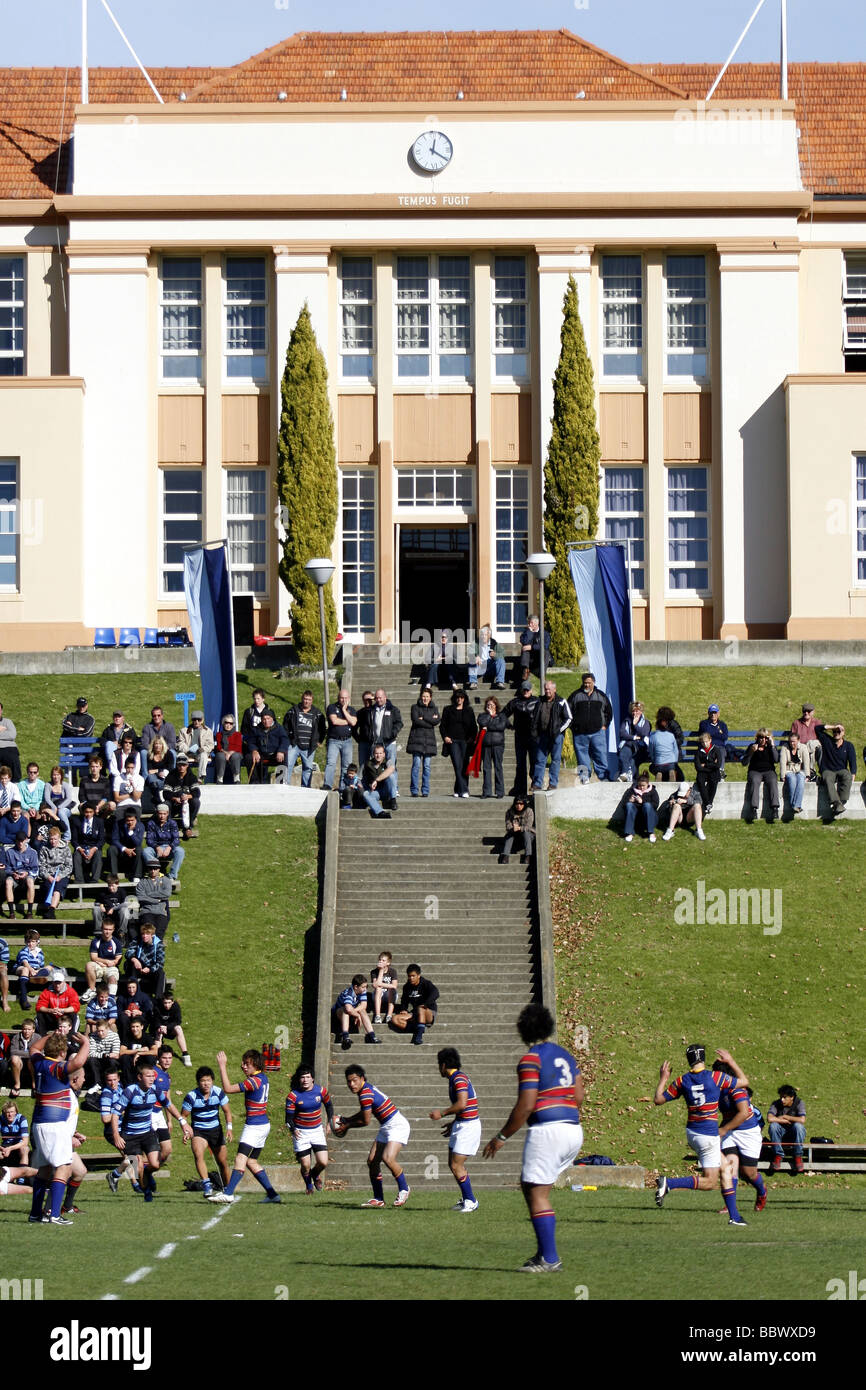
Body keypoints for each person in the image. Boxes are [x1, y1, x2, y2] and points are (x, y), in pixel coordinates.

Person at [483, 1002, 584, 1272]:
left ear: (523, 1030)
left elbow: (526, 1105)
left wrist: (501, 1136)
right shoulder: (566, 1055)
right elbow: (579, 1096)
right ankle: (543, 1253)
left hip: (548, 1130)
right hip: (573, 1128)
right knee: (532, 1187)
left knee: (537, 1192)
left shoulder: (531, 1059)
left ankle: (550, 1259)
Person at [653, 1042, 748, 1226]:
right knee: (710, 1182)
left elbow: (658, 1099)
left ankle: (735, 1217)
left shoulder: (682, 1081)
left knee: (726, 1169)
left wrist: (663, 1078)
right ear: (704, 1058)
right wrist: (731, 1061)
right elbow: (744, 1082)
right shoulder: (716, 1077)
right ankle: (669, 1183)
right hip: (708, 1135)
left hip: (693, 1132)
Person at [27, 1027, 90, 1225]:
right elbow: (78, 1062)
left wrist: (48, 1036)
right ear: (62, 1052)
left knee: (44, 1169)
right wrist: (86, 1043)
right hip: (54, 1125)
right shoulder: (57, 1068)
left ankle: (35, 1214)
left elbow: (33, 1048)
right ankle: (54, 1214)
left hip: (40, 1123)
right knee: (63, 1167)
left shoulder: (39, 1063)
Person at [209, 1048, 281, 1204]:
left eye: (247, 1063)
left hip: (254, 1126)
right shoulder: (262, 1078)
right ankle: (272, 1195)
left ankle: (228, 1193)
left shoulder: (253, 1081)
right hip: (263, 1124)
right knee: (251, 1161)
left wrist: (222, 1066)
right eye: (243, 1063)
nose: (243, 1066)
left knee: (240, 1158)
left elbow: (228, 1089)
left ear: (255, 1064)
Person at [336, 1064, 411, 1208]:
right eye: (349, 1081)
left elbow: (366, 1121)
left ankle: (404, 1188)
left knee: (388, 1158)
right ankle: (379, 1199)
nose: (351, 1084)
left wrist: (347, 1125)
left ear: (362, 1078)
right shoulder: (365, 1089)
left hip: (397, 1125)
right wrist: (347, 1119)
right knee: (372, 1161)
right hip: (386, 1126)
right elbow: (365, 1112)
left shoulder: (365, 1094)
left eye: (354, 1080)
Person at [110, 1057, 184, 1202]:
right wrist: (116, 1135)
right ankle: (147, 1193)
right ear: (139, 1077)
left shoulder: (155, 1090)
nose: (152, 1079)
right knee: (138, 1166)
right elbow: (115, 1114)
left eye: (153, 1076)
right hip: (130, 1135)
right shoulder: (130, 1091)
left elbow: (168, 1105)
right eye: (148, 1076)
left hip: (147, 1133)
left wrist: (182, 1121)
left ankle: (147, 1176)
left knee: (155, 1164)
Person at [713, 1051, 768, 1213]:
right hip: (730, 1132)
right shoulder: (717, 1089)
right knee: (730, 1166)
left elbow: (743, 1114)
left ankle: (762, 1191)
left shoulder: (735, 1089)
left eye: (716, 1074)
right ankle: (730, 1205)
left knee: (748, 1173)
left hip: (748, 1132)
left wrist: (724, 1129)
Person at [430, 1048, 481, 1212]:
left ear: (443, 1065)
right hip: (462, 1123)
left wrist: (442, 1113)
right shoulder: (456, 1078)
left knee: (456, 1165)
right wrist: (454, 1123)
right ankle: (467, 1199)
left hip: (468, 1126)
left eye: (439, 1064)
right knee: (452, 1164)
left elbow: (462, 1104)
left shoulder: (458, 1078)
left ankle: (471, 1201)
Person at [180, 1066, 233, 1198]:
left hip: (216, 1130)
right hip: (199, 1131)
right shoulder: (191, 1096)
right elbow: (184, 1116)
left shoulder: (218, 1092)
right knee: (198, 1155)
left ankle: (228, 1190)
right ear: (198, 1082)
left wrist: (229, 1128)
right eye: (203, 1081)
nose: (206, 1083)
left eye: (208, 1080)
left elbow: (227, 1111)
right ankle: (207, 1185)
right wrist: (186, 1131)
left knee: (223, 1162)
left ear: (212, 1081)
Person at [285, 1066, 334, 1195]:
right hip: (301, 1133)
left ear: (312, 1078)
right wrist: (293, 1130)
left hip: (317, 1131)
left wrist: (329, 1123)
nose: (305, 1080)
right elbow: (288, 1119)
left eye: (308, 1077)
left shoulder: (321, 1091)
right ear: (299, 1079)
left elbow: (329, 1106)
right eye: (302, 1077)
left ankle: (315, 1174)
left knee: (323, 1162)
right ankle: (309, 1186)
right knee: (305, 1164)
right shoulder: (293, 1096)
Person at [569, 673, 613, 784]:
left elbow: (608, 712)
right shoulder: (575, 695)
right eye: (585, 683)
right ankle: (584, 777)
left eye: (589, 683)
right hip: (580, 734)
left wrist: (605, 726)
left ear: (594, 682)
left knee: (600, 755)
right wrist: (574, 727)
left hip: (598, 732)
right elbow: (567, 713)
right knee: (582, 756)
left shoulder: (601, 696)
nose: (587, 685)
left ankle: (603, 777)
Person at [530, 680, 572, 793]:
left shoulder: (561, 701)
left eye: (549, 689)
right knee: (539, 760)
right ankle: (537, 784)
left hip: (556, 736)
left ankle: (553, 784)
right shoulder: (539, 701)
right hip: (542, 736)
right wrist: (535, 731)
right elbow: (534, 716)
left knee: (555, 760)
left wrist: (559, 730)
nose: (547, 691)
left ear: (554, 689)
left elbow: (569, 718)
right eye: (546, 689)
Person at [360, 689, 403, 797]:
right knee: (375, 766)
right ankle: (377, 787)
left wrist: (392, 733)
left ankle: (394, 789)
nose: (378, 700)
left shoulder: (392, 709)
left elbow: (399, 723)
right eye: (377, 698)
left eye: (380, 697)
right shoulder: (372, 710)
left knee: (391, 766)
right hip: (376, 743)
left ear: (385, 697)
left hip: (389, 743)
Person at [282, 690, 326, 789]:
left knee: (307, 768)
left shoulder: (317, 713)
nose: (306, 701)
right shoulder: (293, 710)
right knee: (288, 766)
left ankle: (305, 788)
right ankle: (285, 787)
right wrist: (288, 739)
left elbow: (323, 728)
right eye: (305, 699)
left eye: (309, 700)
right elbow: (285, 725)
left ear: (312, 700)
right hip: (294, 744)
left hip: (309, 746)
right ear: (302, 699)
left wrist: (319, 741)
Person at [814, 721, 857, 817]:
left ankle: (841, 801)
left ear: (843, 733)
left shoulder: (848, 745)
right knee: (828, 778)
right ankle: (836, 803)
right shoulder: (827, 740)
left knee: (847, 776)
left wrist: (853, 774)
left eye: (839, 731)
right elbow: (817, 729)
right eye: (834, 731)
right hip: (828, 769)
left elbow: (853, 762)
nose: (836, 733)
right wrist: (833, 727)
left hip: (841, 769)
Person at [440, 688, 477, 799]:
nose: (459, 699)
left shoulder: (469, 710)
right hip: (453, 741)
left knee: (465, 766)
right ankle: (464, 789)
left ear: (464, 698)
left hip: (466, 742)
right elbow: (442, 726)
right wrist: (445, 737)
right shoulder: (447, 709)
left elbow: (474, 726)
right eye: (457, 697)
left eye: (461, 697)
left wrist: (472, 738)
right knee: (457, 765)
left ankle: (457, 789)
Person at [390, 963, 439, 1046]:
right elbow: (404, 1000)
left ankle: (418, 1036)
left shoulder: (426, 983)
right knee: (395, 1019)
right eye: (409, 976)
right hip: (415, 1013)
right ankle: (418, 1028)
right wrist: (404, 1009)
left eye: (413, 976)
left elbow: (436, 993)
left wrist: (425, 1004)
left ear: (418, 975)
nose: (411, 978)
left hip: (428, 1012)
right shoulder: (407, 987)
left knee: (421, 1009)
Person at [504, 683, 537, 799]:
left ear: (531, 690)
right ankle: (520, 789)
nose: (526, 692)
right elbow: (503, 714)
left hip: (534, 737)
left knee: (534, 762)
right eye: (524, 690)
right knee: (521, 764)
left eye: (528, 690)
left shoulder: (537, 702)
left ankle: (535, 785)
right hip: (520, 737)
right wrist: (509, 725)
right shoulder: (514, 702)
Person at [407, 687, 440, 797]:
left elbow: (437, 721)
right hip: (416, 740)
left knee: (426, 766)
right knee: (416, 766)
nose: (425, 698)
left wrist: (424, 717)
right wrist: (430, 720)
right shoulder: (415, 707)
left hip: (429, 742)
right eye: (423, 696)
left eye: (427, 696)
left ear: (430, 697)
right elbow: (416, 720)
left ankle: (425, 790)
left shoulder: (434, 708)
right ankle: (414, 790)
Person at [334, 974, 382, 1050]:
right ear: (356, 987)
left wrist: (355, 1013)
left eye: (366, 986)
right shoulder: (348, 993)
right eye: (363, 987)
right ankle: (345, 1036)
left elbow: (364, 1005)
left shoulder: (362, 992)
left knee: (362, 1010)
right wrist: (357, 1015)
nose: (365, 989)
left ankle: (372, 1035)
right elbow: (348, 1008)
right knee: (345, 1010)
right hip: (338, 1015)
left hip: (351, 1014)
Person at [767, 1084, 807, 1174]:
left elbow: (802, 1120)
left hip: (794, 1134)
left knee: (798, 1126)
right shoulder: (776, 1103)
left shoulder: (799, 1103)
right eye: (781, 1097)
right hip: (781, 1134)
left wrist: (786, 1117)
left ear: (792, 1097)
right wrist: (783, 1121)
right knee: (773, 1126)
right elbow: (770, 1118)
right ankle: (778, 1155)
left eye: (784, 1097)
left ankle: (798, 1156)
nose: (782, 1100)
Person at [323, 689, 357, 791]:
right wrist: (348, 721)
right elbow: (334, 721)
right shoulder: (332, 707)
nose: (344, 700)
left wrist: (344, 710)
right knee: (331, 763)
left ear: (349, 698)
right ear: (338, 698)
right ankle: (327, 785)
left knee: (346, 766)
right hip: (334, 740)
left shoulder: (352, 710)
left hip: (347, 741)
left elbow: (354, 722)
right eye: (342, 698)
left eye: (346, 698)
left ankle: (343, 787)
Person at [743, 728, 780, 822]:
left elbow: (776, 760)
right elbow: (744, 762)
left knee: (773, 780)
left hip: (769, 770)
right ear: (757, 738)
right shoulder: (752, 746)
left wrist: (772, 745)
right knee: (754, 781)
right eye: (761, 737)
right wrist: (751, 752)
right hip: (755, 770)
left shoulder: (770, 747)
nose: (763, 740)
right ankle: (754, 809)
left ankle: (775, 808)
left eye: (765, 738)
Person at [81, 917, 123, 1001]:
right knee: (89, 965)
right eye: (105, 929)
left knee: (113, 979)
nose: (107, 932)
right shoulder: (96, 941)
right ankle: (92, 990)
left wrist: (110, 963)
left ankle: (110, 1001)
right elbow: (93, 957)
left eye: (110, 929)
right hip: (99, 965)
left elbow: (118, 959)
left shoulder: (116, 942)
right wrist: (104, 962)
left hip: (111, 967)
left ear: (113, 930)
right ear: (101, 929)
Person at [37, 824, 73, 919]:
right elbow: (41, 866)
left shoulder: (66, 849)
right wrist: (48, 876)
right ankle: (49, 910)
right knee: (49, 888)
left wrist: (60, 876)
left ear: (59, 838)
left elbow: (69, 867)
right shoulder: (44, 849)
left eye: (55, 839)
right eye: (51, 839)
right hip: (49, 875)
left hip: (61, 875)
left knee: (58, 888)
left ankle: (51, 910)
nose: (53, 841)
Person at [143, 801, 185, 880]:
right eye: (160, 814)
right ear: (157, 813)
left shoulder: (172, 823)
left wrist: (169, 848)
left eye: (164, 814)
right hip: (156, 848)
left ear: (167, 813)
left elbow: (176, 839)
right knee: (146, 851)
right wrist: (157, 847)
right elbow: (149, 839)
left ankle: (172, 875)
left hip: (169, 847)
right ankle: (156, 873)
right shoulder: (151, 823)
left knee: (180, 851)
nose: (162, 816)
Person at [245, 711, 290, 784]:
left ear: (272, 718)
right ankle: (254, 782)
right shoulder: (256, 729)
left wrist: (281, 751)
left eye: (268, 718)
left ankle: (280, 782)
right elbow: (251, 742)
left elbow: (285, 740)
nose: (266, 721)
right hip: (261, 754)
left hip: (275, 754)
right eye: (264, 719)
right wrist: (254, 750)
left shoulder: (279, 728)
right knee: (249, 757)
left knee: (284, 757)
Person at [124, 923, 166, 999]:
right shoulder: (137, 940)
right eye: (143, 934)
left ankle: (158, 998)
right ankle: (133, 995)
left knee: (161, 973)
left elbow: (160, 963)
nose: (144, 936)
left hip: (151, 968)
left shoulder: (159, 944)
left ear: (152, 935)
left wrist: (150, 969)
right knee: (132, 967)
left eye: (147, 934)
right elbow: (128, 952)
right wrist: (134, 959)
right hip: (138, 967)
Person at [164, 753, 201, 839]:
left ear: (187, 765)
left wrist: (188, 796)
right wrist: (174, 798)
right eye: (179, 765)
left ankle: (189, 827)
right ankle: (169, 827)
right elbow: (165, 793)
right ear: (176, 765)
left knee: (196, 802)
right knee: (166, 804)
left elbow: (197, 793)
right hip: (174, 804)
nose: (181, 767)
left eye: (184, 765)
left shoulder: (192, 777)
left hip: (187, 805)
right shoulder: (170, 776)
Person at [152, 988, 192, 1067]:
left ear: (172, 1002)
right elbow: (155, 1020)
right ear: (162, 1002)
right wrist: (160, 1027)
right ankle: (157, 1057)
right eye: (165, 1003)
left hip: (170, 1029)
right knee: (159, 1033)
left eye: (169, 1003)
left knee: (178, 1029)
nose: (167, 1005)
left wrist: (167, 1027)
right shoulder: (157, 1007)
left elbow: (178, 1021)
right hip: (160, 1028)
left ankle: (185, 1055)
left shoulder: (176, 1006)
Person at [477, 696, 507, 799]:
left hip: (498, 745)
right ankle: (486, 791)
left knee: (498, 767)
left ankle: (500, 791)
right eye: (488, 705)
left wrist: (488, 727)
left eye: (492, 705)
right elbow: (482, 723)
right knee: (486, 768)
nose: (490, 706)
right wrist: (489, 716)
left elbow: (501, 727)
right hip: (485, 745)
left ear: (496, 706)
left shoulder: (501, 716)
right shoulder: (482, 716)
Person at [35, 970, 80, 1036]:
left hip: (65, 1018)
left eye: (59, 983)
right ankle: (42, 1036)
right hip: (52, 1018)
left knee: (73, 1014)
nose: (57, 985)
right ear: (52, 982)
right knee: (40, 1014)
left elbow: (75, 1007)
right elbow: (39, 1007)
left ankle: (71, 1036)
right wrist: (50, 1010)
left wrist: (63, 1010)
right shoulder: (46, 992)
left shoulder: (70, 991)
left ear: (64, 982)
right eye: (56, 983)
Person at [4, 830, 38, 917]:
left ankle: (29, 912)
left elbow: (35, 869)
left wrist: (27, 873)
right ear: (16, 840)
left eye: (22, 841)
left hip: (27, 875)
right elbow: (7, 868)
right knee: (8, 882)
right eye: (18, 840)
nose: (20, 843)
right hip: (14, 875)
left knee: (30, 881)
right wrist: (13, 873)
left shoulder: (32, 852)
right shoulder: (9, 852)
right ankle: (11, 912)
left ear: (26, 840)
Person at [779, 731, 814, 815]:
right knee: (792, 779)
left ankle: (795, 805)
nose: (792, 743)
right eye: (790, 741)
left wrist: (807, 776)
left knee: (801, 779)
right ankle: (796, 806)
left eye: (794, 741)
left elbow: (806, 762)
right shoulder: (785, 747)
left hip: (800, 770)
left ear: (798, 740)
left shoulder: (803, 747)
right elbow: (782, 762)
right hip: (789, 770)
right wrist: (783, 776)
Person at [13, 928, 50, 1007]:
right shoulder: (24, 950)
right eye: (28, 942)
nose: (30, 944)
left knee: (49, 967)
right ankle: (24, 1000)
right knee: (25, 969)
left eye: (33, 941)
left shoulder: (40, 953)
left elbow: (41, 966)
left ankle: (36, 977)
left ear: (37, 942)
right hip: (21, 968)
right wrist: (31, 970)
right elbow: (25, 962)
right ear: (25, 942)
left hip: (34, 970)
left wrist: (37, 971)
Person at [135, 861, 173, 938]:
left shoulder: (165, 880)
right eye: (151, 869)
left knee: (159, 930)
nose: (153, 871)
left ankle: (157, 945)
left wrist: (148, 894)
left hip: (161, 911)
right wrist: (156, 900)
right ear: (148, 869)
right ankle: (148, 945)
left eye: (155, 869)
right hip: (146, 911)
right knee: (148, 930)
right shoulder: (142, 882)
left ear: (159, 869)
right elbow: (140, 897)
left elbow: (167, 894)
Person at [698, 704, 740, 773]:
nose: (713, 715)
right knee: (712, 753)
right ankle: (713, 773)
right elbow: (706, 733)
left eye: (715, 713)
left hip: (720, 748)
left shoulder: (722, 725)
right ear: (708, 713)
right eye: (711, 713)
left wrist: (712, 733)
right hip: (708, 747)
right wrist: (718, 733)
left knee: (720, 752)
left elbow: (725, 737)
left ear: (718, 714)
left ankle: (720, 772)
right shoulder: (704, 723)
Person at [617, 700, 651, 782]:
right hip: (629, 745)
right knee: (624, 754)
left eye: (637, 711)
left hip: (641, 748)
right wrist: (634, 737)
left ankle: (627, 775)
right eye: (633, 711)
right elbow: (622, 733)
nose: (634, 713)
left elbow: (644, 733)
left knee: (633, 760)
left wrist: (635, 725)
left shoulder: (646, 723)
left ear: (641, 711)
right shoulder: (626, 721)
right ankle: (626, 774)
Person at [92, 872, 132, 942]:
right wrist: (100, 905)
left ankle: (122, 933)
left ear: (117, 884)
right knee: (96, 909)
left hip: (118, 914)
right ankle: (98, 932)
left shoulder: (122, 892)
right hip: (106, 913)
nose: (111, 888)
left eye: (113, 886)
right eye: (109, 886)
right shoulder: (104, 892)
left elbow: (125, 904)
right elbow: (96, 902)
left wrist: (113, 908)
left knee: (125, 910)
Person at [71, 803, 106, 883]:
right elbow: (74, 840)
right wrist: (79, 849)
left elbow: (101, 840)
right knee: (76, 855)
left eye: (91, 812)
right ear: (83, 812)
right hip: (82, 846)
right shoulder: (77, 821)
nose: (88, 814)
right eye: (86, 812)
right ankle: (79, 881)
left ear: (94, 812)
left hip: (94, 846)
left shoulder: (99, 822)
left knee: (98, 854)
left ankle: (94, 880)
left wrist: (93, 849)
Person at [622, 772, 660, 843]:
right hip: (636, 819)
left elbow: (656, 804)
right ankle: (629, 832)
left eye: (643, 786)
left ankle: (651, 832)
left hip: (650, 818)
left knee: (647, 805)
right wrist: (629, 800)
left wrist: (642, 801)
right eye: (639, 785)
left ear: (647, 784)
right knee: (629, 805)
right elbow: (624, 805)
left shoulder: (652, 791)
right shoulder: (631, 790)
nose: (641, 788)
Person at [42, 765, 76, 843]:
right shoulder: (48, 785)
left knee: (61, 812)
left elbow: (69, 799)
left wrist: (59, 807)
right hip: (52, 807)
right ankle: (51, 835)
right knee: (50, 812)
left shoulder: (65, 785)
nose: (56, 777)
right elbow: (47, 799)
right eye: (54, 775)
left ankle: (67, 836)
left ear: (61, 775)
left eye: (58, 775)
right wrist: (54, 808)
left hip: (64, 808)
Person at [176, 710, 214, 781]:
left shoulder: (208, 731)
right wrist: (187, 749)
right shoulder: (183, 731)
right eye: (194, 719)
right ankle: (180, 778)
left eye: (199, 720)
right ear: (192, 720)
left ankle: (200, 777)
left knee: (203, 755)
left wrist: (203, 749)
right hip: (187, 753)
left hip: (200, 753)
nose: (196, 722)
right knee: (180, 756)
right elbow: (180, 743)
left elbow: (210, 745)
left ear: (202, 720)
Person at [361, 743, 397, 817]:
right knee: (365, 794)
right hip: (375, 791)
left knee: (391, 776)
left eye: (380, 753)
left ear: (384, 754)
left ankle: (393, 800)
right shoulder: (367, 764)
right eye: (376, 753)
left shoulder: (387, 761)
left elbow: (391, 768)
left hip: (386, 790)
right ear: (373, 754)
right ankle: (380, 812)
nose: (378, 755)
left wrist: (376, 780)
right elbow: (359, 778)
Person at [109, 808, 145, 881]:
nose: (130, 822)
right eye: (128, 820)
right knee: (111, 849)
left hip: (134, 850)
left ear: (135, 819)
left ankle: (136, 876)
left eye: (132, 820)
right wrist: (125, 849)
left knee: (139, 849)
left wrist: (131, 832)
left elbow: (138, 842)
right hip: (121, 849)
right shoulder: (118, 824)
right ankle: (114, 875)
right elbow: (114, 840)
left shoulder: (140, 825)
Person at [467, 624, 506, 690]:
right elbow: (470, 651)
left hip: (491, 667)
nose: (483, 637)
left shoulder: (494, 643)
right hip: (480, 667)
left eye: (485, 635)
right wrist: (476, 656)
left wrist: (496, 655)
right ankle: (473, 682)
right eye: (482, 635)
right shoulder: (476, 642)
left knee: (501, 660)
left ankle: (500, 682)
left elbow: (503, 653)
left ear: (489, 635)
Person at [649, 709, 683, 782]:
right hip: (671, 761)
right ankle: (670, 772)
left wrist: (654, 759)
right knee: (675, 772)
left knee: (652, 767)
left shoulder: (653, 736)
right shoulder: (671, 735)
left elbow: (651, 751)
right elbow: (675, 750)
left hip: (659, 762)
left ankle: (659, 773)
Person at [693, 731, 722, 815]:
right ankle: (707, 803)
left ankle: (709, 803)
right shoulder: (699, 751)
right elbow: (698, 767)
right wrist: (712, 764)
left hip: (713, 772)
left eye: (706, 741)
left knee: (713, 782)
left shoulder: (716, 750)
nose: (705, 744)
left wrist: (705, 765)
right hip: (703, 772)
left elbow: (718, 765)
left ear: (710, 740)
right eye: (703, 742)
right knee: (700, 781)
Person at [500, 795, 535, 863]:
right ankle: (505, 856)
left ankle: (528, 856)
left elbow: (529, 826)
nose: (519, 806)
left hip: (528, 836)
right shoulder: (510, 812)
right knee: (510, 834)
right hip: (515, 836)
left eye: (521, 804)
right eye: (517, 804)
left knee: (526, 832)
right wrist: (513, 828)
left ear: (524, 804)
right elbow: (508, 825)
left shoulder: (529, 811)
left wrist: (520, 828)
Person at [77, 755, 114, 820]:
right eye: (92, 766)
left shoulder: (105, 780)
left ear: (100, 767)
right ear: (90, 767)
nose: (94, 769)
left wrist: (98, 806)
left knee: (112, 805)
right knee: (80, 806)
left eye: (96, 766)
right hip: (88, 805)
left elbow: (106, 797)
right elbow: (81, 797)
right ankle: (86, 822)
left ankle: (102, 821)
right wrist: (91, 807)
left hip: (101, 805)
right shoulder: (84, 780)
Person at [143, 735, 175, 805]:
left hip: (165, 776)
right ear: (153, 745)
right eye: (156, 744)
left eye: (160, 744)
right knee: (151, 778)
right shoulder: (150, 755)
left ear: (163, 745)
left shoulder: (168, 754)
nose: (158, 746)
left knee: (159, 783)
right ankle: (158, 800)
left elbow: (170, 768)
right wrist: (159, 771)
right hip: (153, 777)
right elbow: (150, 770)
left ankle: (158, 799)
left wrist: (158, 771)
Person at [212, 714, 243, 784]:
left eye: (231, 723)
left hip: (235, 752)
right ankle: (220, 778)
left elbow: (238, 747)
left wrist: (230, 753)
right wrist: (226, 753)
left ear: (233, 725)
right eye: (226, 723)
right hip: (223, 752)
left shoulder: (237, 734)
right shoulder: (219, 734)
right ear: (223, 723)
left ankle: (236, 778)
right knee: (220, 756)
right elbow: (218, 747)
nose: (228, 725)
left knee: (235, 756)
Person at [518, 616, 550, 684]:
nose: (530, 624)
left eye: (531, 623)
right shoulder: (525, 633)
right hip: (529, 658)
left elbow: (545, 646)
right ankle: (525, 670)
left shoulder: (545, 634)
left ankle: (542, 674)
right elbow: (524, 642)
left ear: (537, 623)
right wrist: (529, 632)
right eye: (529, 623)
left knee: (546, 652)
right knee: (525, 649)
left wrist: (532, 647)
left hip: (539, 657)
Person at [790, 702, 822, 769]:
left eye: (808, 711)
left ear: (813, 712)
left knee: (814, 746)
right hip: (800, 749)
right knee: (808, 749)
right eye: (804, 711)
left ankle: (821, 770)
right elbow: (792, 738)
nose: (806, 713)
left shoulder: (817, 723)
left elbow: (821, 737)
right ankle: (810, 771)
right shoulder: (796, 723)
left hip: (815, 749)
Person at [8, 1017, 36, 1093]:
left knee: (34, 1058)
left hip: (31, 1062)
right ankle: (17, 1084)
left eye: (29, 1029)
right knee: (14, 1058)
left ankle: (34, 1084)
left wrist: (21, 1053)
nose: (26, 1031)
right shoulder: (16, 1037)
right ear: (22, 1029)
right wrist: (30, 1053)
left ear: (33, 1030)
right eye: (24, 1029)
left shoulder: (37, 1037)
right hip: (19, 1062)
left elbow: (40, 1053)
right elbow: (13, 1052)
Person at [370, 951, 398, 1026]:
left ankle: (389, 1016)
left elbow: (394, 986)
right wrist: (381, 970)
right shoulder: (374, 972)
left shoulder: (392, 971)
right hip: (377, 995)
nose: (380, 961)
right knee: (378, 989)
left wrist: (380, 984)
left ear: (388, 963)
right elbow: (375, 985)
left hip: (390, 995)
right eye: (380, 960)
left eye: (383, 960)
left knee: (392, 989)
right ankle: (377, 1016)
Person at [0, 1096, 30, 1166]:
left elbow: (25, 1142)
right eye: (7, 1112)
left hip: (19, 1144)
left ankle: (23, 1172)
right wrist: (2, 1148)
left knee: (24, 1150)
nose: (10, 1114)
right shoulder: (1, 1119)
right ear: (3, 1113)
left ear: (16, 1112)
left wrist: (10, 1148)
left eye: (12, 1112)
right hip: (5, 1144)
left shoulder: (21, 1119)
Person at [0, 703, 22, 782]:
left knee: (13, 759)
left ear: (1, 711)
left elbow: (12, 735)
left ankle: (15, 782)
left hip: (9, 748)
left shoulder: (8, 722)